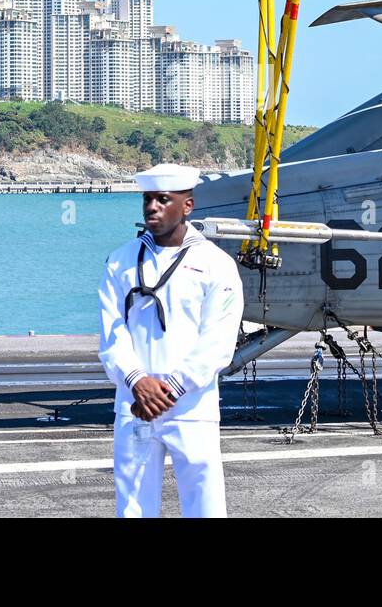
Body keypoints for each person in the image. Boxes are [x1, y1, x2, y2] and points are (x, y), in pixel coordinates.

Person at [98, 162, 245, 517]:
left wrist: (171, 389)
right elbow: (111, 334)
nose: (152, 207)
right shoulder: (119, 263)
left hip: (191, 407)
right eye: (148, 199)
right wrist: (137, 382)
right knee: (132, 509)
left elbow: (218, 341)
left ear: (188, 206)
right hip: (135, 405)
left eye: (163, 199)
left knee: (204, 507)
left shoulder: (216, 264)